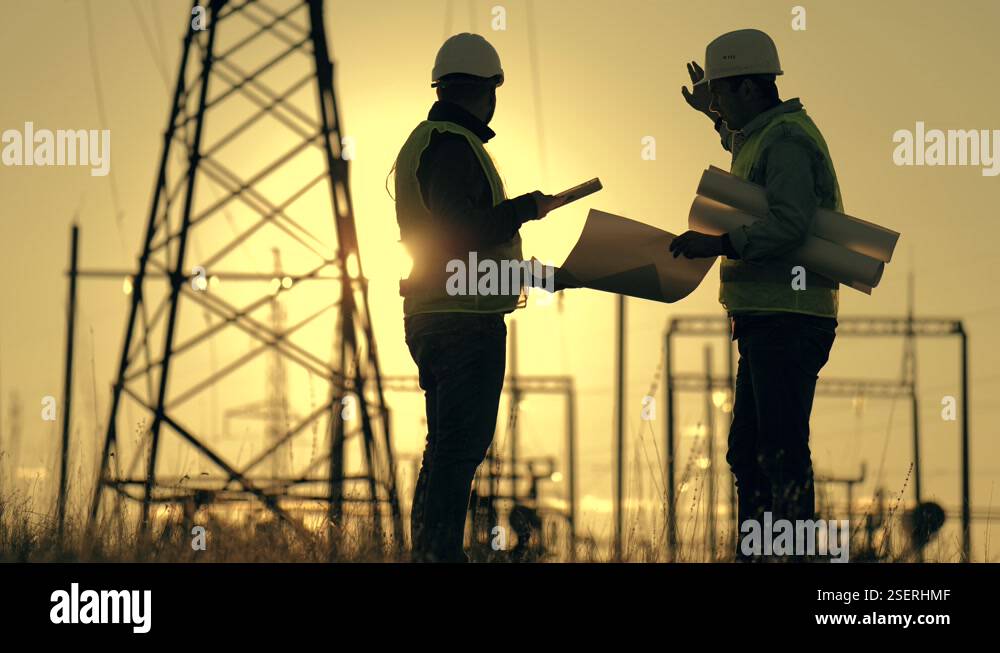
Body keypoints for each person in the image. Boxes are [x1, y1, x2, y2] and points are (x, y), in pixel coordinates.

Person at [670, 29, 841, 560]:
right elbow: (742, 145)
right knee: (749, 452)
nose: (715, 102)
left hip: (789, 318)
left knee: (780, 454)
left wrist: (718, 243)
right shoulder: (765, 135)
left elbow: (789, 224)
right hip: (767, 320)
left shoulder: (788, 140)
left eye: (721, 93)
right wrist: (714, 118)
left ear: (747, 87)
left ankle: (786, 556)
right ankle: (762, 553)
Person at [393, 33, 564, 562]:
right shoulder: (451, 146)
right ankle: (438, 554)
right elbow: (461, 228)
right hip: (460, 318)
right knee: (458, 449)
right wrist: (525, 208)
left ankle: (431, 551)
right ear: (487, 91)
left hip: (441, 312)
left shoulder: (433, 140)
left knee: (446, 448)